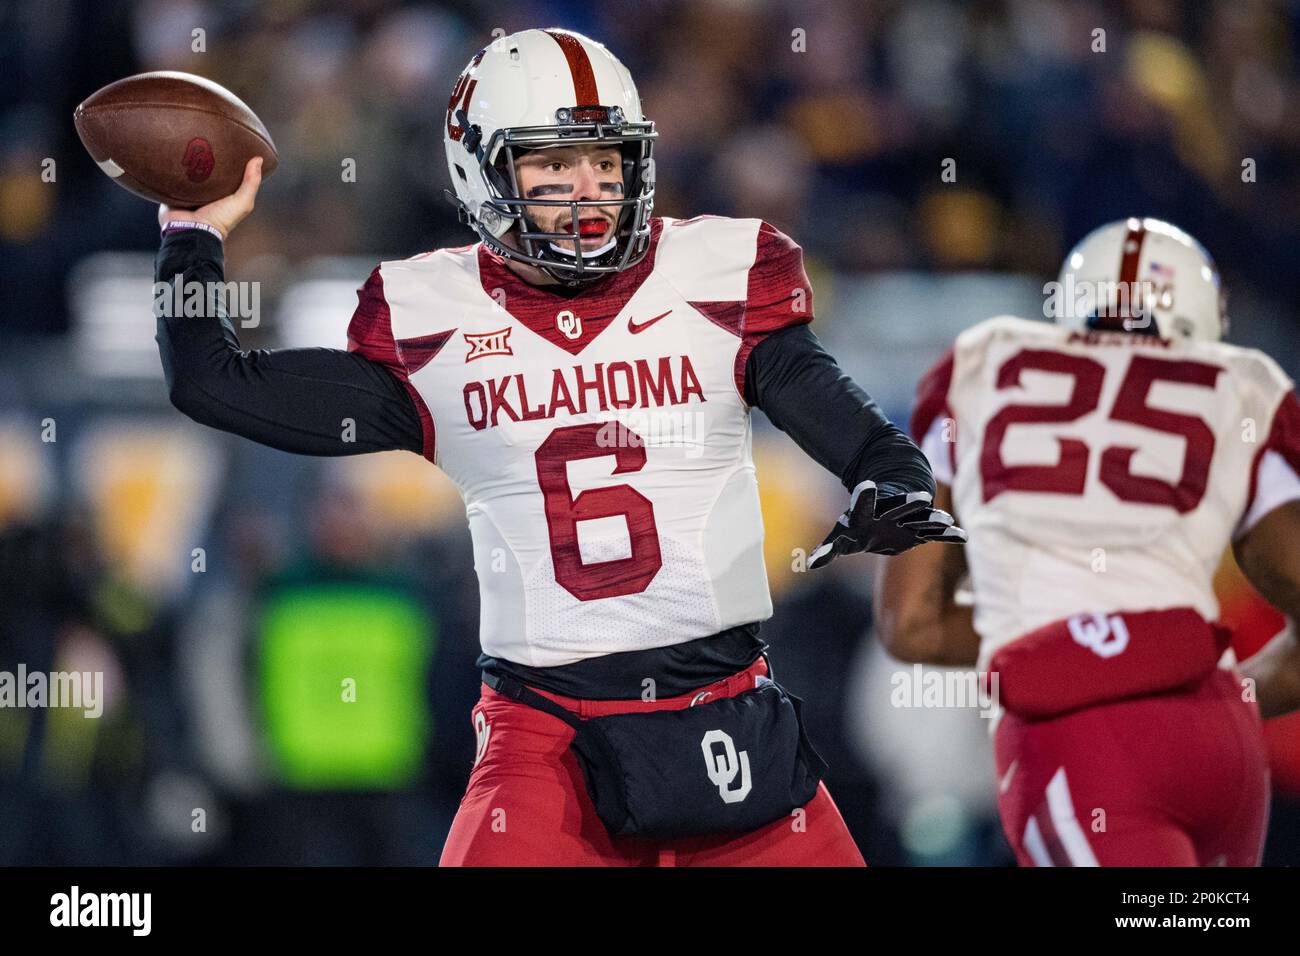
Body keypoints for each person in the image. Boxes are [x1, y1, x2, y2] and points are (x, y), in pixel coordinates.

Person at [154, 28, 963, 866]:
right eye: (553, 165)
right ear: (484, 171)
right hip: (547, 740)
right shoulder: (436, 321)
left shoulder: (717, 277)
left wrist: (893, 480)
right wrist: (192, 236)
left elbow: (857, 431)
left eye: (606, 162)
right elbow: (212, 382)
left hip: (730, 716)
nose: (588, 190)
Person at [875, 216, 1300, 866]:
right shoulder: (1241, 381)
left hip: (1085, 735)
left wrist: (1055, 629)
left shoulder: (984, 364)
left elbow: (911, 623)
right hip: (1220, 742)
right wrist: (1233, 691)